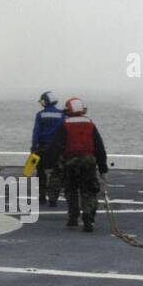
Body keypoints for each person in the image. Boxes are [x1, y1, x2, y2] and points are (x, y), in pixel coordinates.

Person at [54, 97, 108, 232]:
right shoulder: (90, 124)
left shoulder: (64, 124)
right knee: (89, 191)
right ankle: (88, 218)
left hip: (70, 163)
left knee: (71, 190)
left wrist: (53, 165)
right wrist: (103, 168)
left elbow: (56, 146)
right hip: (88, 162)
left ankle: (73, 218)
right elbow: (99, 147)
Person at [31, 90, 65, 206]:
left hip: (42, 148)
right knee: (56, 173)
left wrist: (34, 147)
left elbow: (36, 132)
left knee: (41, 173)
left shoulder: (40, 115)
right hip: (56, 149)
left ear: (45, 101)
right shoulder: (62, 114)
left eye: (42, 101)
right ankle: (53, 199)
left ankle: (41, 197)